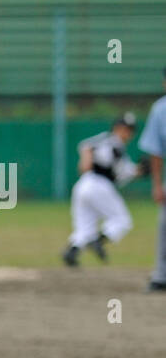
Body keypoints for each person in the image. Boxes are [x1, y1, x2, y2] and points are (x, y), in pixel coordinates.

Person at [62, 113, 143, 267]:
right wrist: (138, 171)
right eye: (126, 129)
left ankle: (72, 252)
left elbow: (86, 147)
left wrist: (137, 171)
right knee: (122, 220)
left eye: (130, 130)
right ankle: (98, 241)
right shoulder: (115, 143)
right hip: (99, 184)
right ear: (117, 128)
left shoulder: (111, 143)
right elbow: (120, 173)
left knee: (85, 224)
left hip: (83, 184)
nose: (128, 133)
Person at [139, 68, 166, 292]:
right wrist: (157, 185)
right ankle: (161, 276)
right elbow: (156, 153)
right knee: (164, 225)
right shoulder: (160, 110)